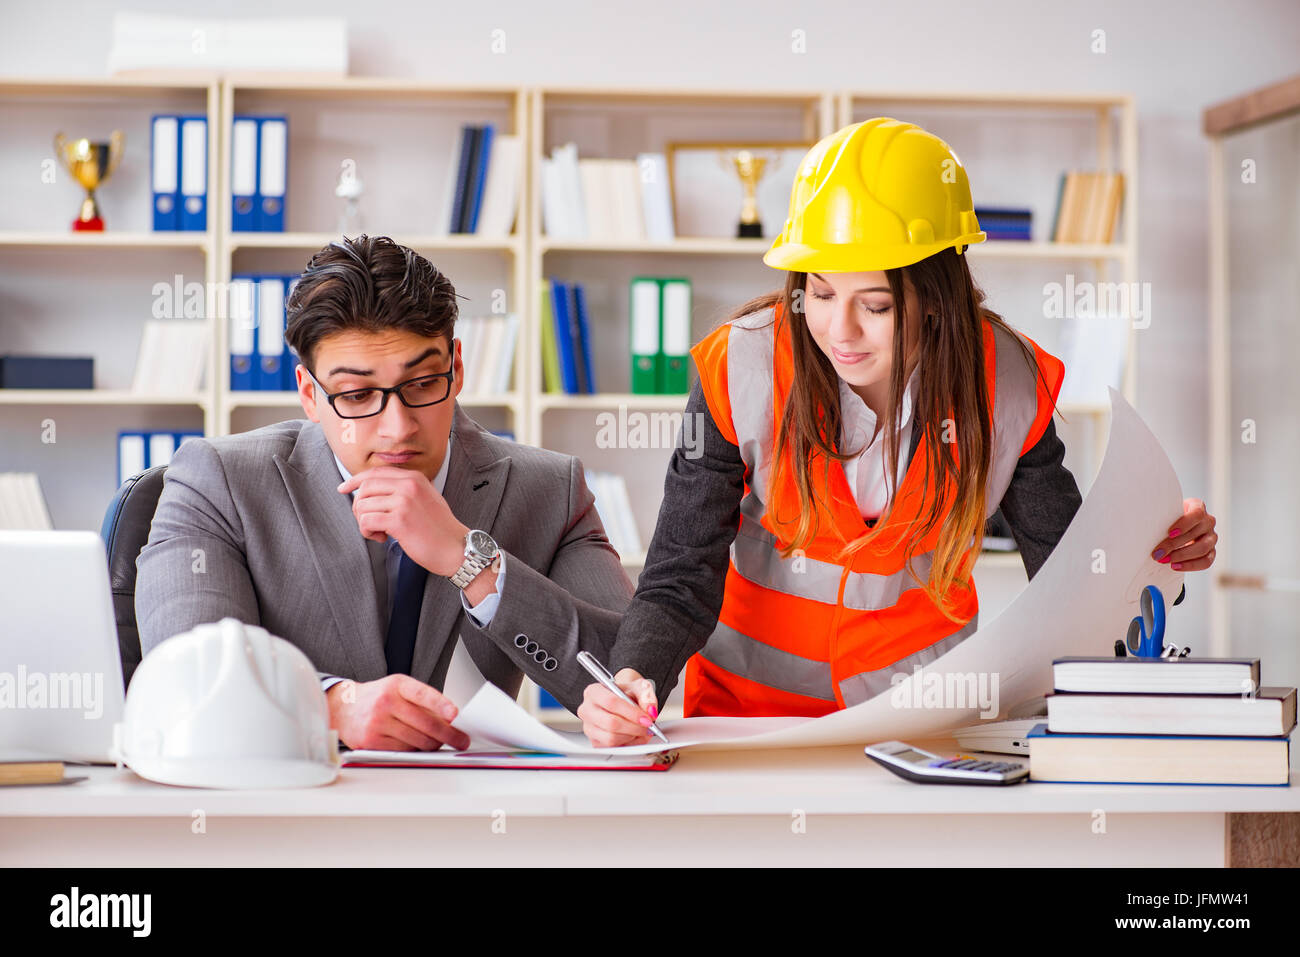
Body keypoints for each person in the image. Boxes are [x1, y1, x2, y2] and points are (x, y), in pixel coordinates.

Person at [578, 118, 1219, 746]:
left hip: (920, 725)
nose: (840, 331)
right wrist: (634, 674)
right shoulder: (739, 368)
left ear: (937, 295)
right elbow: (680, 573)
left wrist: (1159, 557)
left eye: (876, 305)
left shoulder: (1007, 384)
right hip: (749, 725)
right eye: (820, 294)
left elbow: (1074, 580)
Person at [136, 234, 633, 751]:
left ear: (456, 368)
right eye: (356, 394)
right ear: (310, 393)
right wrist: (328, 707)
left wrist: (471, 561)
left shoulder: (549, 489)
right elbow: (186, 677)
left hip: (469, 814)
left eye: (421, 384)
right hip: (284, 808)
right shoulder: (218, 481)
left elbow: (630, 683)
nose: (397, 428)